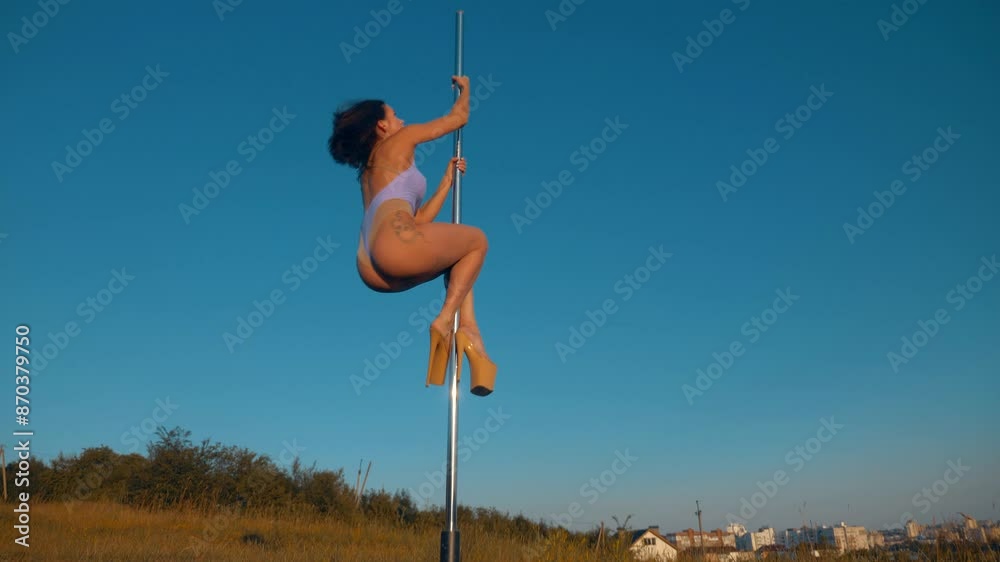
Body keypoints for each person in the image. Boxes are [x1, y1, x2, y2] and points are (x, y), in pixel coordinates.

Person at [327, 75, 496, 396]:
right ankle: (447, 321)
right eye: (394, 115)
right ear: (381, 126)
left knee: (457, 262)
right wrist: (467, 88)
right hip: (396, 248)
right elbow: (458, 119)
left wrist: (446, 182)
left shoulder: (368, 173)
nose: (401, 120)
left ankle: (470, 333)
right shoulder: (402, 139)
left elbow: (417, 223)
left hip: (371, 265)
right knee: (477, 241)